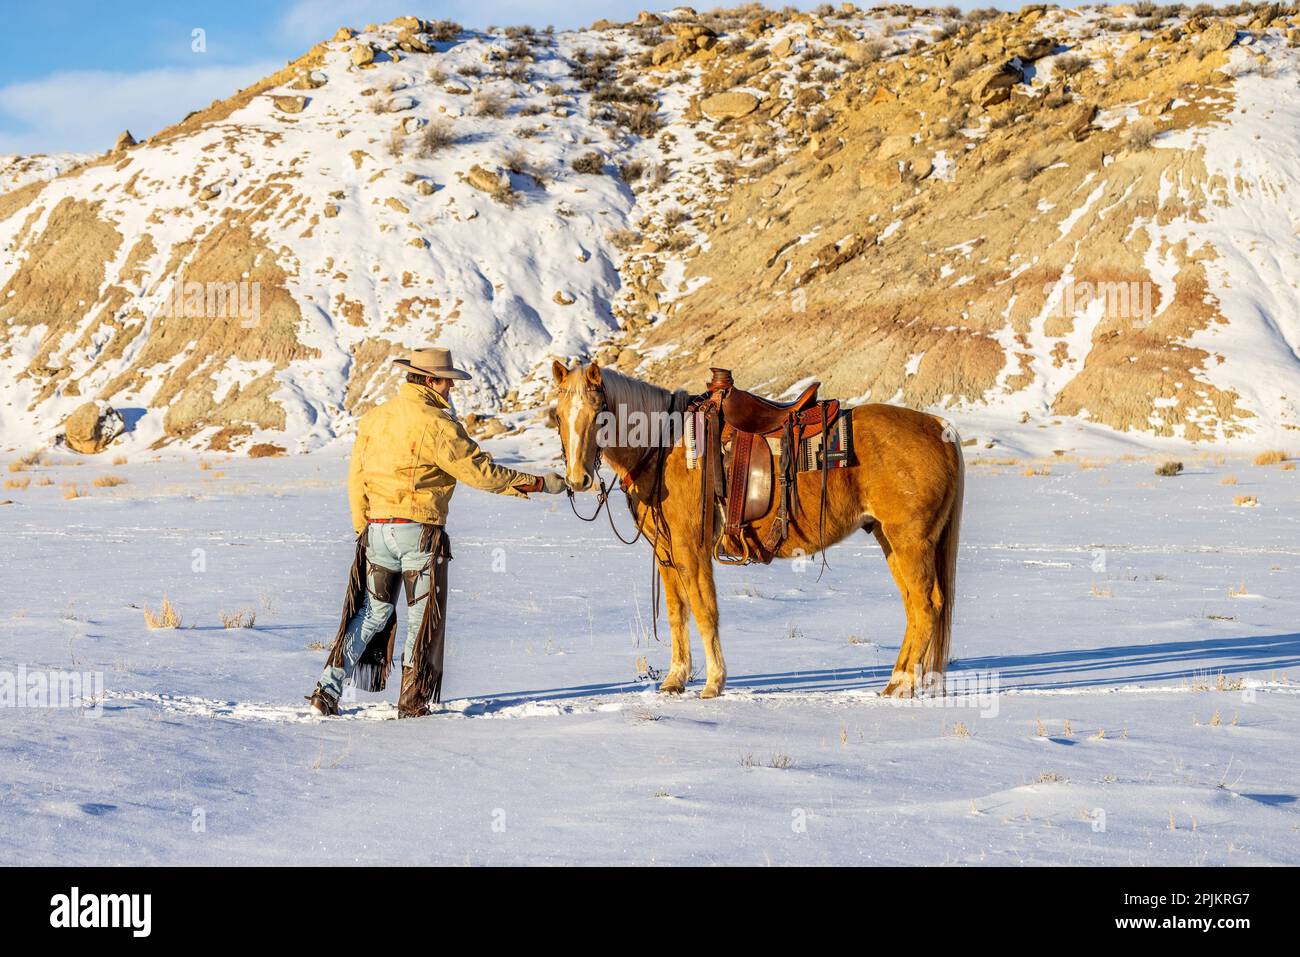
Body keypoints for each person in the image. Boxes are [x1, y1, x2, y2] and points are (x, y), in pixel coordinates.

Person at [306, 347, 567, 718]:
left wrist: (361, 526)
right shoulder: (437, 424)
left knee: (371, 613)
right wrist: (540, 484)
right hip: (420, 533)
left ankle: (326, 690)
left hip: (377, 531)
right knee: (420, 618)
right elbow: (482, 473)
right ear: (431, 381)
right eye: (447, 383)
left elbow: (356, 478)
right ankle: (411, 702)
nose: (451, 390)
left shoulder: (375, 419)